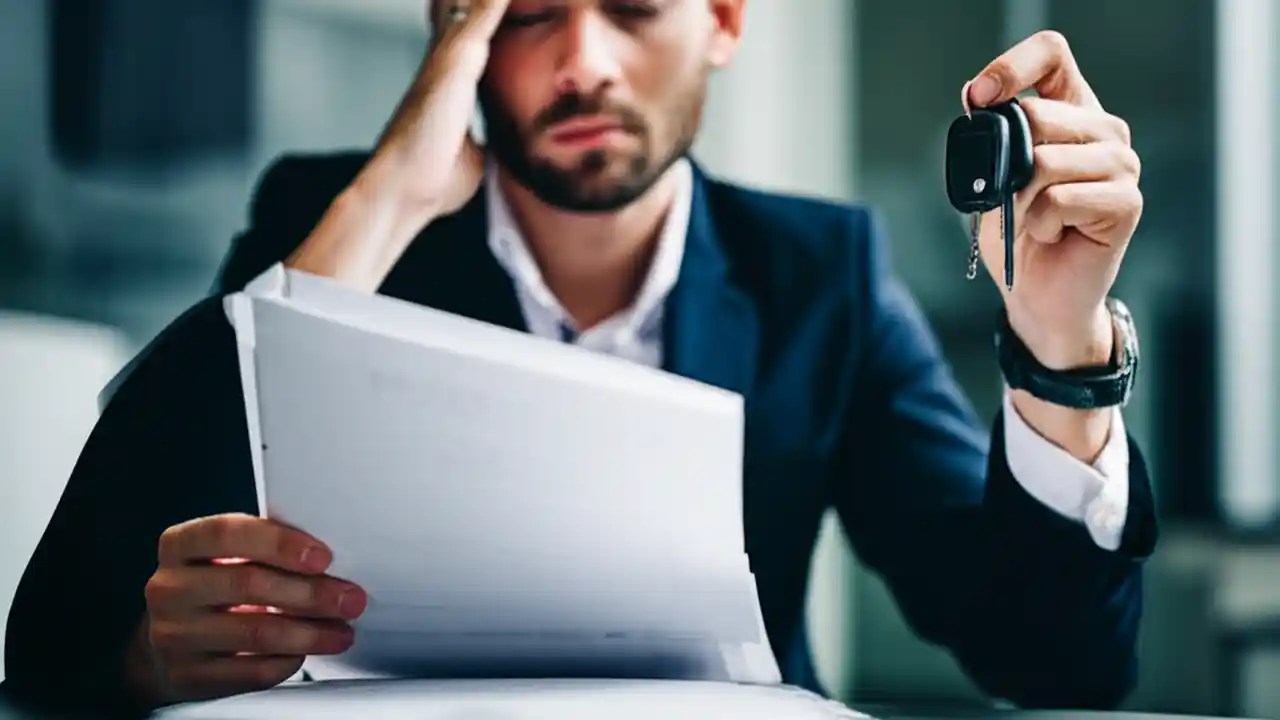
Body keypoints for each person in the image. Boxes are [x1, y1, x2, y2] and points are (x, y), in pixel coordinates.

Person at [5, 0, 1157, 713]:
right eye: (524, 14)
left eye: (631, 6)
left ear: (721, 17)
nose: (581, 64)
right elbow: (60, 631)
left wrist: (1061, 344)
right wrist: (387, 200)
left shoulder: (818, 274)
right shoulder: (334, 221)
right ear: (452, 32)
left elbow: (1054, 663)